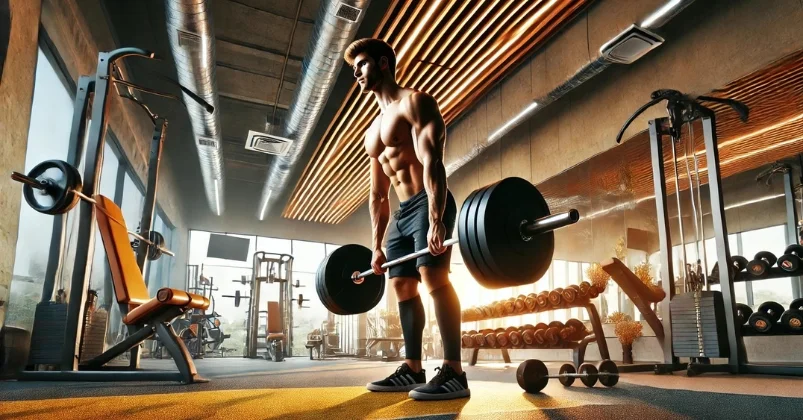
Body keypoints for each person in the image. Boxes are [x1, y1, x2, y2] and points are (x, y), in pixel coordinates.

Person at [344, 38, 468, 401]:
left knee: (434, 277)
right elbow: (378, 194)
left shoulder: (416, 102)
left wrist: (436, 218)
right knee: (401, 287)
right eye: (354, 69)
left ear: (384, 64)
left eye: (363, 64)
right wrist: (376, 247)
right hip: (399, 213)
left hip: (428, 202)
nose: (357, 73)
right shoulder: (372, 131)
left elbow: (433, 161)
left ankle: (455, 372)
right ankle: (413, 368)